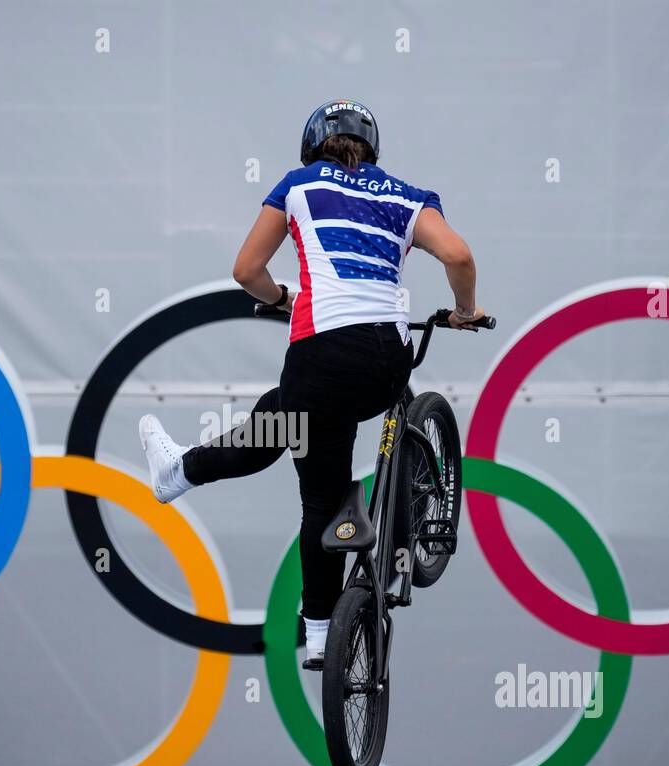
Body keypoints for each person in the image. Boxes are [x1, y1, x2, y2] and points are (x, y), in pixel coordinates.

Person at [140, 99, 483, 668]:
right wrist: (464, 311)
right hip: (385, 361)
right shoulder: (406, 195)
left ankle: (317, 626)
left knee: (308, 471)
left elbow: (246, 271)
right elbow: (459, 254)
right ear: (372, 148)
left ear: (311, 145)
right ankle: (183, 472)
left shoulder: (298, 186)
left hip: (321, 357)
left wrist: (281, 299)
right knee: (290, 417)